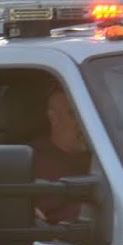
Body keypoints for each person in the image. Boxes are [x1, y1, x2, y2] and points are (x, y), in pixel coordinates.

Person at [29, 83, 92, 225]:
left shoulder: (108, 160)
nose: (85, 123)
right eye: (74, 114)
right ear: (53, 117)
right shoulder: (28, 161)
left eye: (89, 115)